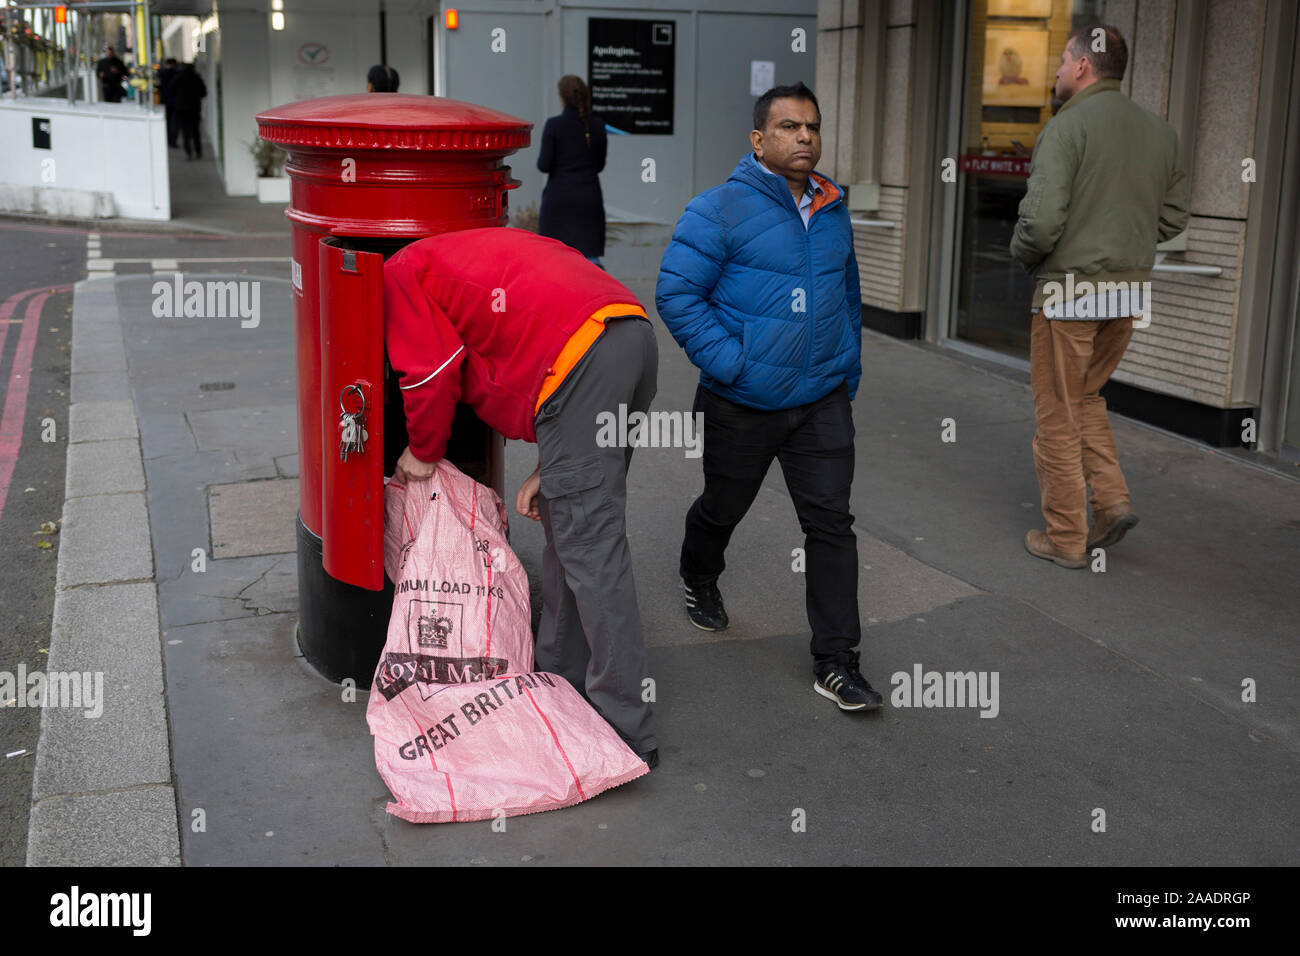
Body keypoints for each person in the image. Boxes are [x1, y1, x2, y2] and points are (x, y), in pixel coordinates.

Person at [384, 227, 660, 766]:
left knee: (593, 551)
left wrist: (422, 451)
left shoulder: (401, 274)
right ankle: (560, 681)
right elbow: (553, 320)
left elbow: (430, 374)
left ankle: (625, 729)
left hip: (580, 369)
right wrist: (545, 465)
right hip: (629, 337)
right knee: (574, 534)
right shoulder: (474, 252)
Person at [656, 81, 883, 713]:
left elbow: (847, 297)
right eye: (789, 127)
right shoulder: (719, 209)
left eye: (812, 126)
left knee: (831, 524)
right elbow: (676, 295)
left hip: (822, 398)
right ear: (760, 139)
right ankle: (699, 572)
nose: (805, 136)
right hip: (743, 402)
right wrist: (736, 364)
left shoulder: (832, 207)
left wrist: (848, 373)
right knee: (723, 507)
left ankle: (837, 661)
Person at [1010, 24, 1188, 568]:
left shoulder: (1066, 128)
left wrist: (1023, 256)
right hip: (1128, 294)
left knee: (1057, 416)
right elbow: (1174, 218)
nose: (1058, 72)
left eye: (1063, 62)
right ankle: (1110, 503)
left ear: (1084, 65)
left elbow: (1040, 225)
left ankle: (1066, 538)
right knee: (1085, 399)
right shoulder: (1160, 132)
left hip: (1068, 293)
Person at [537, 75, 608, 267]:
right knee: (589, 261)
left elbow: (543, 165)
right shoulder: (598, 126)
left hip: (559, 202)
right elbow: (599, 165)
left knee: (553, 260)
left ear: (562, 98)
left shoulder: (554, 125)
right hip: (589, 199)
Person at [171, 63, 207, 160]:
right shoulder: (196, 78)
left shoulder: (177, 78)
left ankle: (189, 153)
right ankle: (198, 152)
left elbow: (172, 91)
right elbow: (203, 93)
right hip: (194, 108)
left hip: (182, 109)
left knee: (185, 132)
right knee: (195, 131)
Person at [159, 58, 180, 148]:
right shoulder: (177, 74)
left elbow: (159, 86)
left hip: (165, 100)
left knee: (167, 122)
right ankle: (173, 141)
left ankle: (167, 140)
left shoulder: (162, 74)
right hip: (175, 101)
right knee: (175, 123)